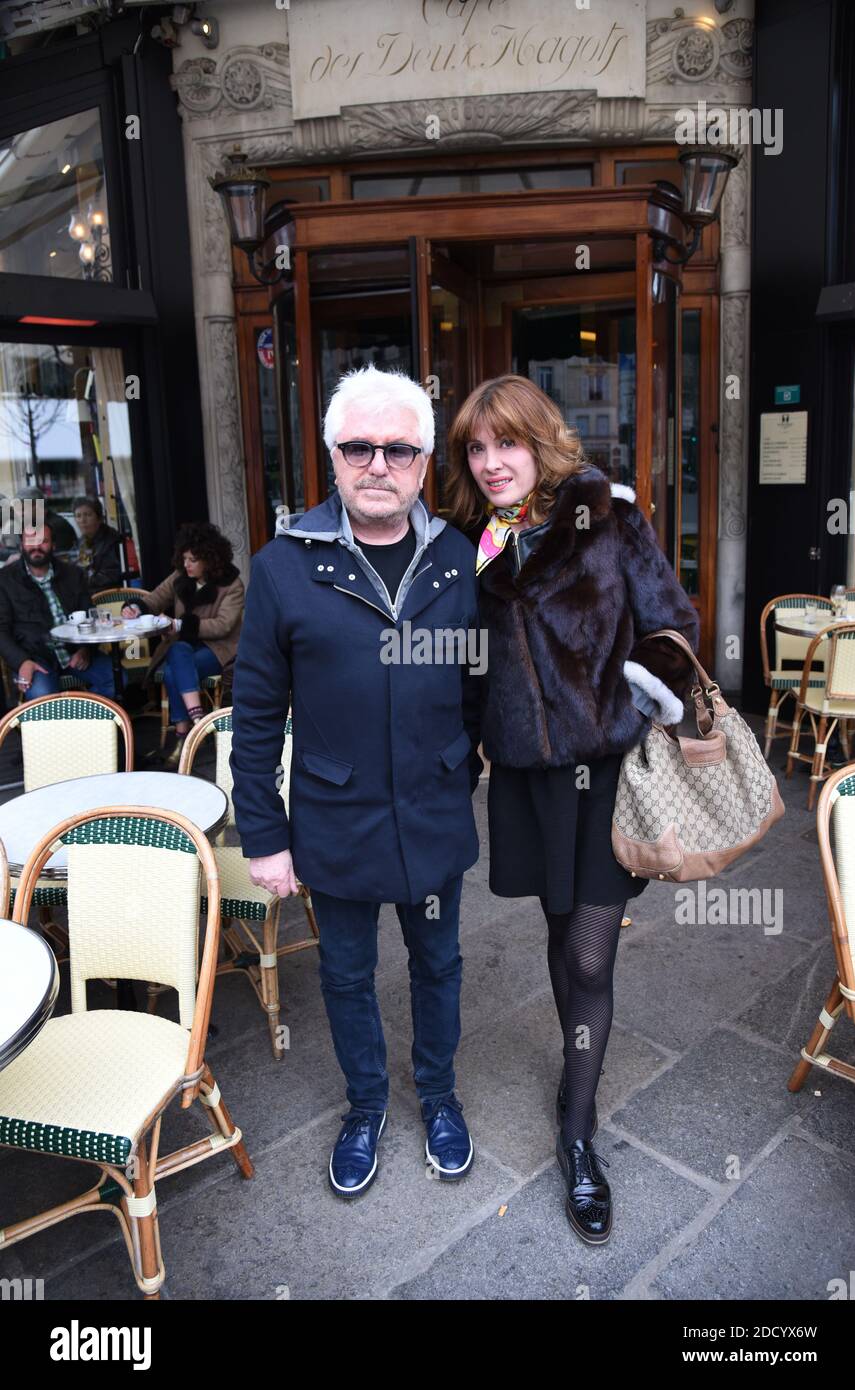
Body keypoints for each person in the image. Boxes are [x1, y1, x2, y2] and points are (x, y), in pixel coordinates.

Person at [446, 374, 700, 1245]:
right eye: (476, 449)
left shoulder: (609, 518)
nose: (489, 463)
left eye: (505, 443)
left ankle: (577, 1132)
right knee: (560, 933)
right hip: (524, 779)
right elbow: (472, 667)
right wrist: (460, 747)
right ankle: (578, 1069)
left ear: (541, 442)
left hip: (604, 773)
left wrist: (643, 695)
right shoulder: (475, 545)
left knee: (590, 955)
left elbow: (672, 625)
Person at [229, 363, 484, 1200]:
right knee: (343, 974)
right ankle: (365, 1106)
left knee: (437, 965)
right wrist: (264, 835)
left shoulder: (460, 557)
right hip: (333, 820)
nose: (378, 464)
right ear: (332, 457)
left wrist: (465, 760)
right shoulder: (282, 566)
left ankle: (439, 1099)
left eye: (398, 449)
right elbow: (257, 713)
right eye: (358, 447)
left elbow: (479, 685)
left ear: (422, 463)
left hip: (434, 813)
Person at [121, 522, 243, 767]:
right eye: (184, 558)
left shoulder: (232, 584)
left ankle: (183, 735)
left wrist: (178, 625)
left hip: (220, 649)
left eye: (193, 559)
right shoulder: (180, 576)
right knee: (177, 654)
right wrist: (135, 607)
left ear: (210, 559)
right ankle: (197, 722)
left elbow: (223, 626)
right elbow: (155, 598)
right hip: (184, 647)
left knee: (172, 668)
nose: (186, 564)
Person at [0, 519, 115, 700]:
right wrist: (22, 662)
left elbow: (90, 616)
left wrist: (86, 649)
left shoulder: (73, 574)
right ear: (21, 545)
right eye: (30, 540)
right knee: (44, 697)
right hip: (34, 657)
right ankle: (70, 724)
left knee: (116, 678)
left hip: (74, 651)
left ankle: (87, 724)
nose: (36, 546)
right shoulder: (5, 580)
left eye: (43, 541)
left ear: (53, 545)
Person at [73, 496, 124, 595]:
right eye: (78, 516)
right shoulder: (83, 540)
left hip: (108, 596)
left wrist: (80, 579)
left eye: (87, 515)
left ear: (99, 518)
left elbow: (111, 575)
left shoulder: (111, 539)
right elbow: (83, 565)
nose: (83, 520)